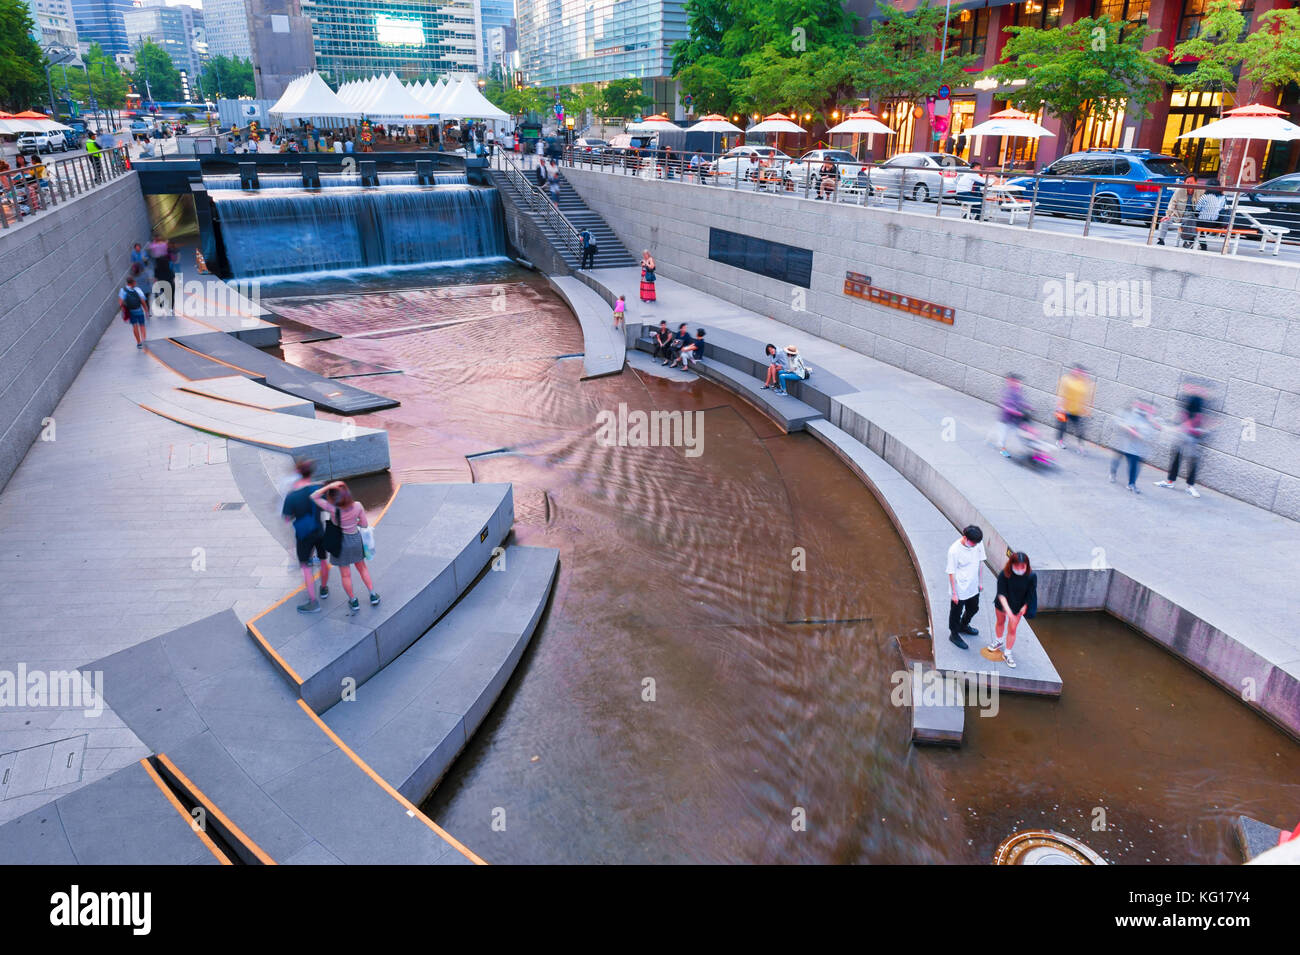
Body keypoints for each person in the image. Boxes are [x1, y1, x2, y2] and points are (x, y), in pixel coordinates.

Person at [310, 481, 379, 613]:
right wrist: (354, 522)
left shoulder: (332, 508)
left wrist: (329, 486)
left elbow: (314, 496)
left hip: (340, 543)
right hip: (355, 540)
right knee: (362, 568)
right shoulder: (357, 506)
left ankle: (353, 601)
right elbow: (364, 524)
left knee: (345, 575)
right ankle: (373, 595)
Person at [282, 460, 333, 614]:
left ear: (298, 472)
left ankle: (313, 602)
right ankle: (324, 588)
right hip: (319, 530)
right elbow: (326, 506)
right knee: (323, 560)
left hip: (303, 535)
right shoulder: (318, 489)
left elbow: (286, 518)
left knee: (305, 567)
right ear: (311, 473)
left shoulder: (292, 496)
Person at [1155, 385, 1207, 497]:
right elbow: (1178, 420)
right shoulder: (1187, 412)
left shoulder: (1197, 416)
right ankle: (1173, 482)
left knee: (1190, 462)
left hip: (1191, 439)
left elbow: (1189, 426)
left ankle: (1187, 486)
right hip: (1183, 438)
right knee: (1178, 459)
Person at [989, 551, 1036, 669]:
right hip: (1002, 604)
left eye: (1023, 566)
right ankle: (999, 641)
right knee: (1000, 622)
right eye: (1017, 566)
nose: (1020, 569)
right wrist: (1009, 613)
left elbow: (1030, 594)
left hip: (1018, 606)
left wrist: (1024, 607)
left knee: (1013, 629)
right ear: (1011, 564)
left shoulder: (1031, 576)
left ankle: (1008, 653)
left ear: (1027, 565)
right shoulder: (1004, 574)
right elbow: (1001, 594)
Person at [946, 525, 985, 649]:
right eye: (973, 543)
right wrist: (954, 593)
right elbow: (951, 572)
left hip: (973, 585)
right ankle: (954, 634)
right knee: (956, 612)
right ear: (965, 537)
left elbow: (981, 562)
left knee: (974, 608)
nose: (974, 545)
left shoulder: (978, 543)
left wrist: (980, 582)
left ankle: (964, 625)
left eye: (976, 543)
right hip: (960, 587)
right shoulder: (954, 551)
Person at [1109, 399, 1159, 493]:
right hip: (1123, 443)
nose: (1150, 411)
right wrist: (1129, 428)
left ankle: (1131, 484)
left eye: (1152, 410)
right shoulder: (1129, 413)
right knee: (1117, 458)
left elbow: (1147, 435)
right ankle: (1113, 473)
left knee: (1134, 465)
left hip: (1136, 448)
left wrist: (1136, 432)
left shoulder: (1150, 420)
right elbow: (1119, 422)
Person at [1055, 364, 1093, 451]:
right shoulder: (1066, 379)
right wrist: (1059, 406)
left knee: (1080, 429)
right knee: (1062, 427)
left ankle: (1080, 447)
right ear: (1073, 371)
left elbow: (1085, 395)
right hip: (1065, 409)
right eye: (1076, 370)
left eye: (1080, 371)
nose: (1077, 372)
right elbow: (1061, 393)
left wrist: (1085, 409)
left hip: (1076, 411)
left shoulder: (1083, 383)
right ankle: (1059, 441)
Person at [1156, 175, 1198, 246]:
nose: (1189, 184)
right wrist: (1168, 215)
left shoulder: (1200, 191)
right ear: (1184, 183)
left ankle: (1187, 241)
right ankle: (1161, 240)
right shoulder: (1179, 191)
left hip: (1191, 216)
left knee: (1189, 222)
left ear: (1196, 183)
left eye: (1191, 182)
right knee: (1165, 221)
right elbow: (1172, 203)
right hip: (1178, 214)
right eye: (1187, 182)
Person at [995, 373, 1028, 457]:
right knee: (1003, 436)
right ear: (1010, 381)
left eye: (1018, 382)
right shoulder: (1006, 392)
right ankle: (1002, 449)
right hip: (1005, 419)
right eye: (1016, 382)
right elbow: (1005, 406)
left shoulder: (1018, 391)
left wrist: (1028, 406)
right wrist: (1015, 411)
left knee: (1018, 434)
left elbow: (1021, 402)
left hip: (1015, 419)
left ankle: (1023, 451)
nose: (1018, 384)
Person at [1194, 178, 1227, 250]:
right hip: (1216, 223)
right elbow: (1222, 208)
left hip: (1203, 222)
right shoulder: (1223, 197)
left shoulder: (1204, 196)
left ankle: (1203, 245)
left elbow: (1197, 209)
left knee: (1193, 223)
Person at [119, 276, 149, 347]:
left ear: (127, 283)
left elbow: (120, 303)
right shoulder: (137, 290)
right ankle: (144, 340)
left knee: (134, 326)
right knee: (142, 325)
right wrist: (146, 310)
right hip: (139, 310)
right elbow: (142, 301)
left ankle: (139, 343)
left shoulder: (123, 290)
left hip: (131, 311)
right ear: (134, 282)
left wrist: (125, 310)